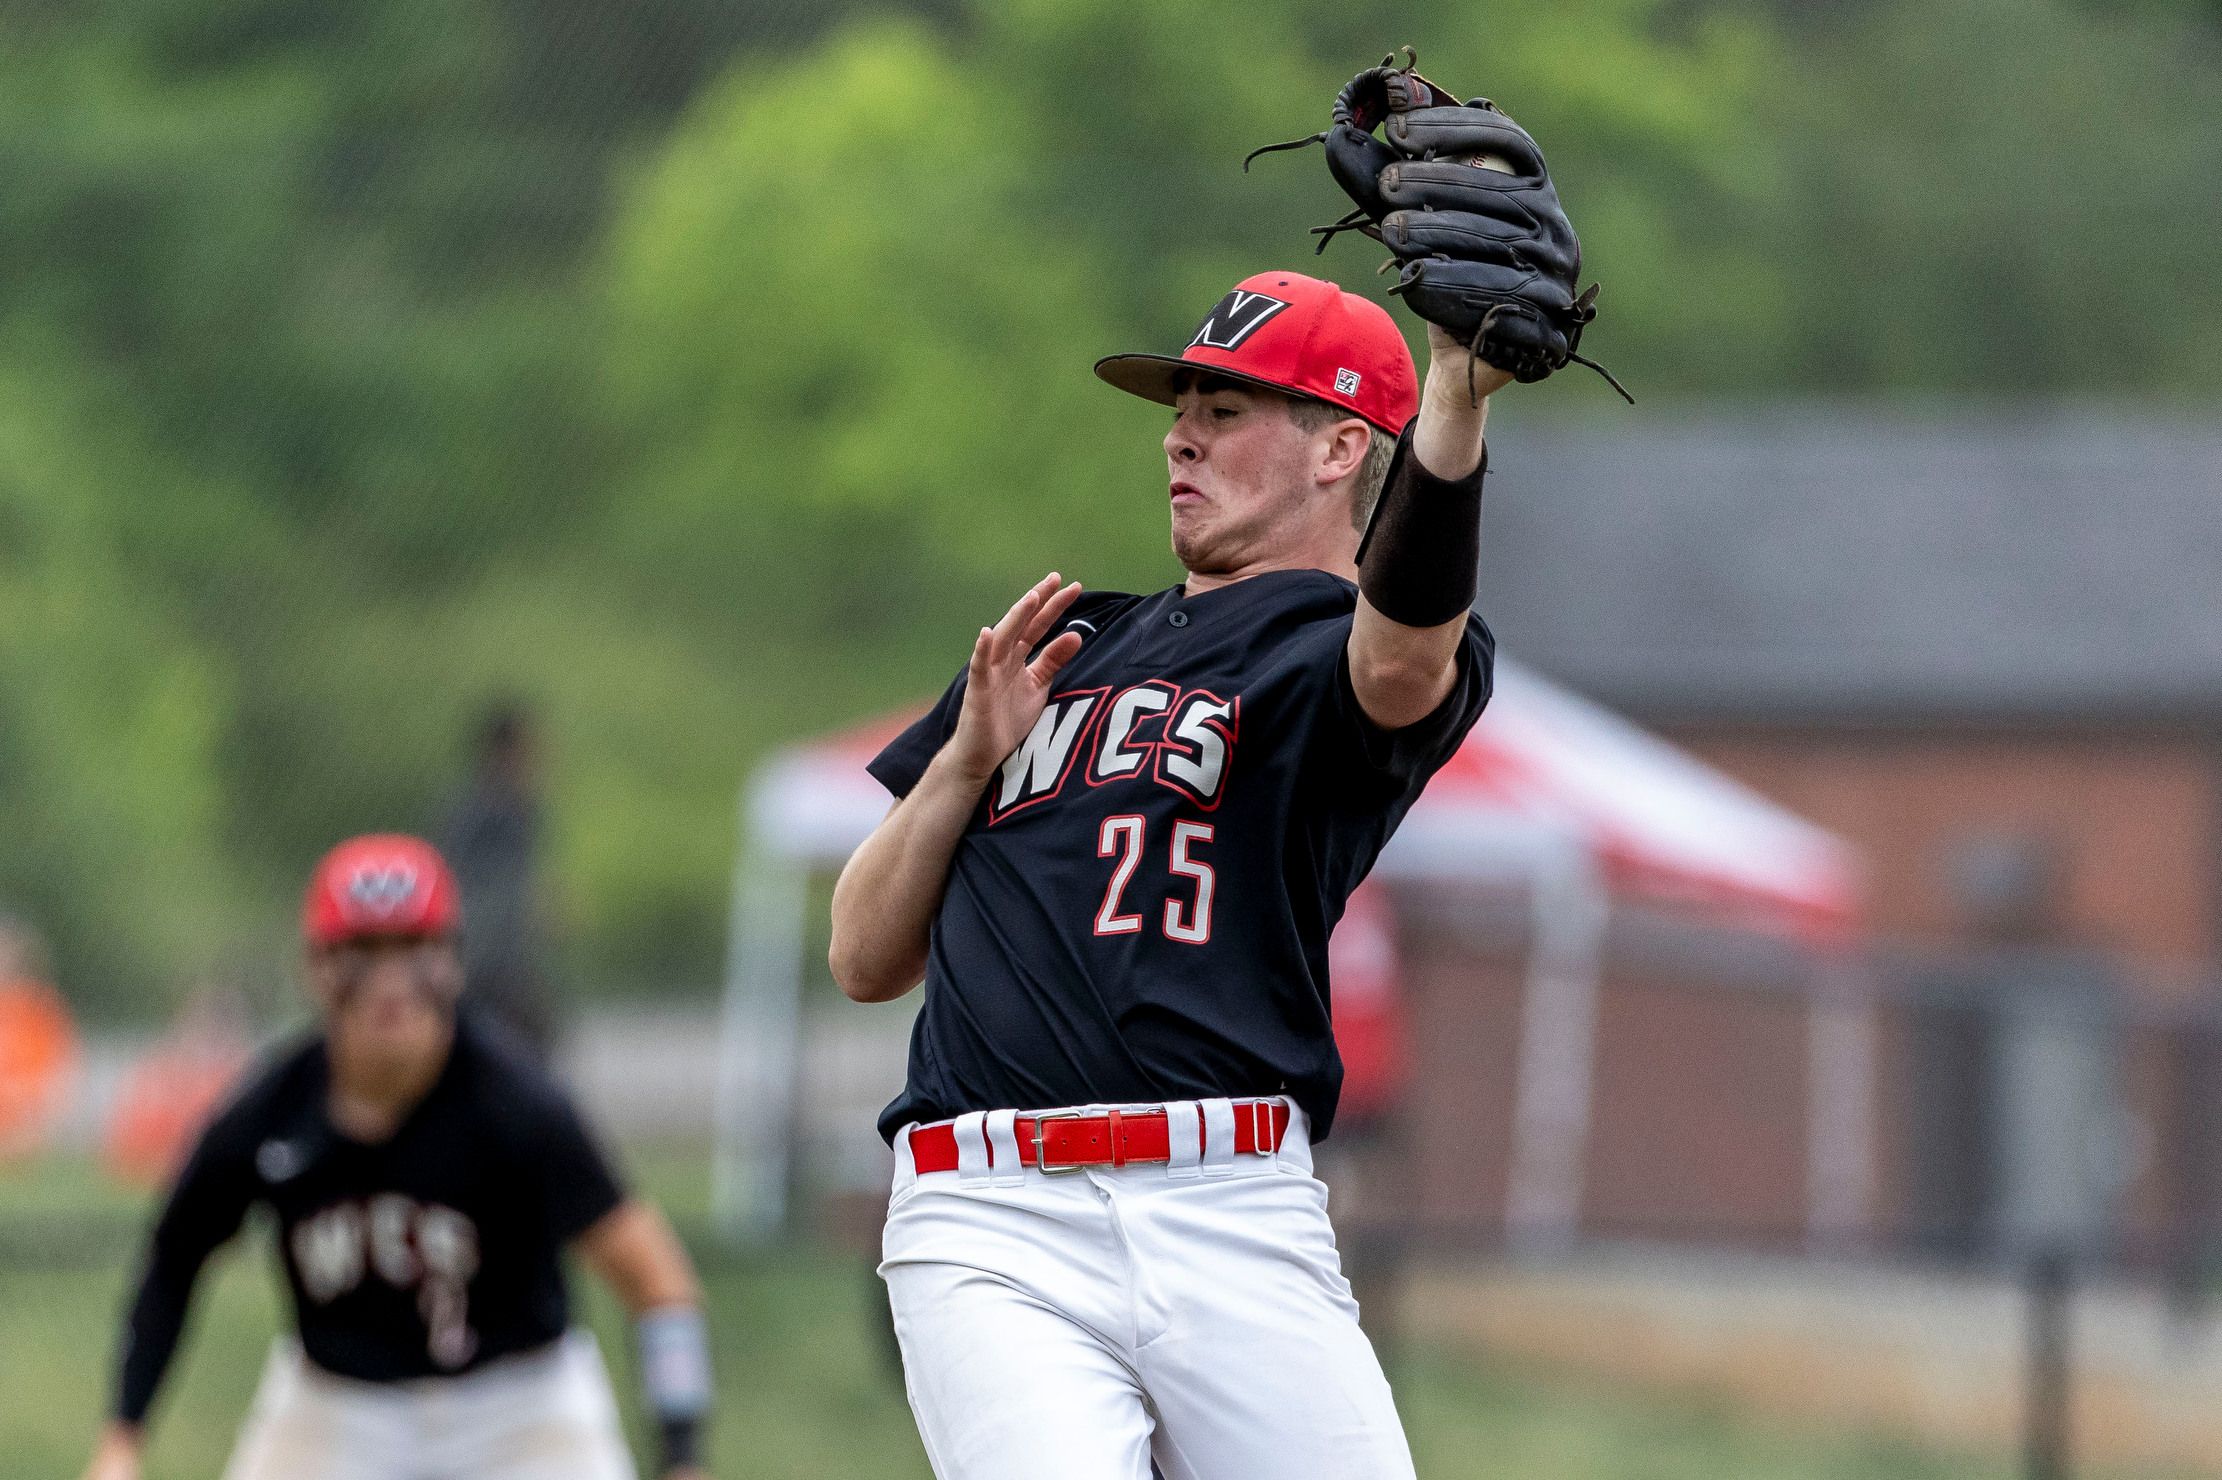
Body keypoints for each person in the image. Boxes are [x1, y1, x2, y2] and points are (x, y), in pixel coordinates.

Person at [829, 270, 1503, 1479]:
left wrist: (1452, 407)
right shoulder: (1065, 643)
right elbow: (862, 957)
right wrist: (960, 764)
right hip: (991, 1216)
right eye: (1180, 402)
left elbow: (1402, 661)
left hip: (1231, 1201)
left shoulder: (1326, 657)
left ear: (1341, 444)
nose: (1177, 433)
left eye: (1226, 407)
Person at [79, 834, 714, 1480]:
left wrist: (683, 1455)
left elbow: (657, 1283)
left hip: (518, 1404)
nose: (390, 982)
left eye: (413, 948)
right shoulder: (271, 1114)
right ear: (316, 969)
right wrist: (121, 1440)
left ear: (452, 964)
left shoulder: (516, 1105)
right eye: (362, 950)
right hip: (339, 1403)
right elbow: (172, 1261)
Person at [440, 703, 557, 1054]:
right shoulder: (477, 813)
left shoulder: (523, 811)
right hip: (482, 957)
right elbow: (454, 874)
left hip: (509, 956)